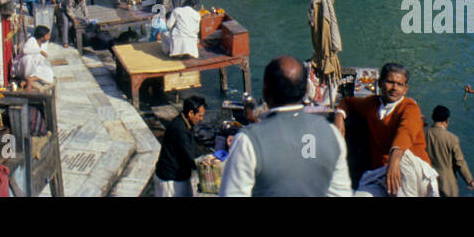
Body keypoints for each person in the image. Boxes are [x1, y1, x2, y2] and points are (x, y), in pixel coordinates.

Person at [219, 56, 351, 197]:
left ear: (265, 91)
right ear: (306, 90)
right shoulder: (331, 134)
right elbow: (341, 193)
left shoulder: (247, 141)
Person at [335, 62, 435, 196]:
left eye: (399, 84)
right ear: (380, 83)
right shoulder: (373, 104)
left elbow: (405, 133)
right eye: (390, 82)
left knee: (403, 159)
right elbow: (348, 102)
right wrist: (339, 117)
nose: (394, 88)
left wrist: (394, 160)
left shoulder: (410, 108)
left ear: (405, 89)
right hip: (381, 173)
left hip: (411, 173)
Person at [155, 96, 206, 197]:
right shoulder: (179, 129)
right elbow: (189, 156)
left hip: (181, 176)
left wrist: (204, 157)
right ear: (190, 113)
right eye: (200, 116)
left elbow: (193, 148)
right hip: (170, 179)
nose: (201, 119)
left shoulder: (186, 124)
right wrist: (205, 165)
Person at [426, 105, 474, 197]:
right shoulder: (452, 138)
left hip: (426, 180)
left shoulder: (423, 134)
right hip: (446, 183)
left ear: (433, 117)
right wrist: (469, 179)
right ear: (447, 120)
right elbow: (459, 162)